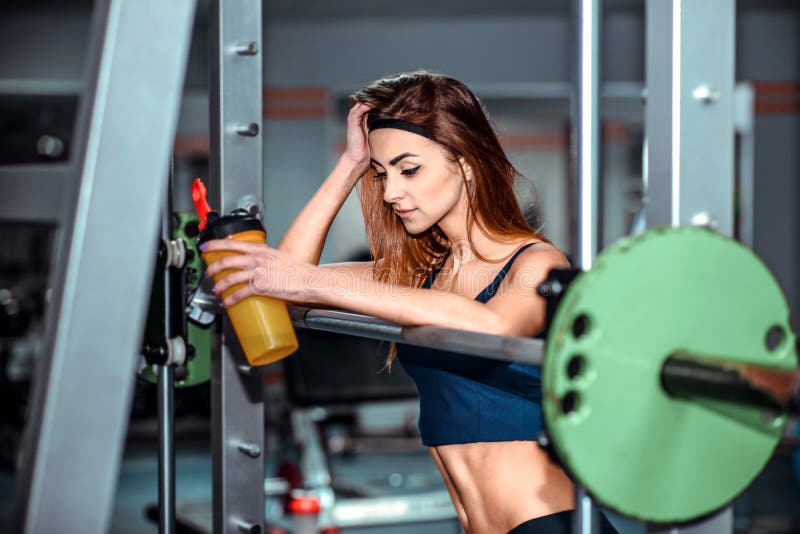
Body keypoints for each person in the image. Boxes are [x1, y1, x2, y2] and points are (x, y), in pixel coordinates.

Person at [202, 71, 616, 534]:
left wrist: (304, 281)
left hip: (546, 523)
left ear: (465, 162)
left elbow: (493, 327)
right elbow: (289, 283)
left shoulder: (535, 263)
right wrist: (350, 165)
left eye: (409, 169)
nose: (392, 192)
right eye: (382, 175)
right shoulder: (422, 275)